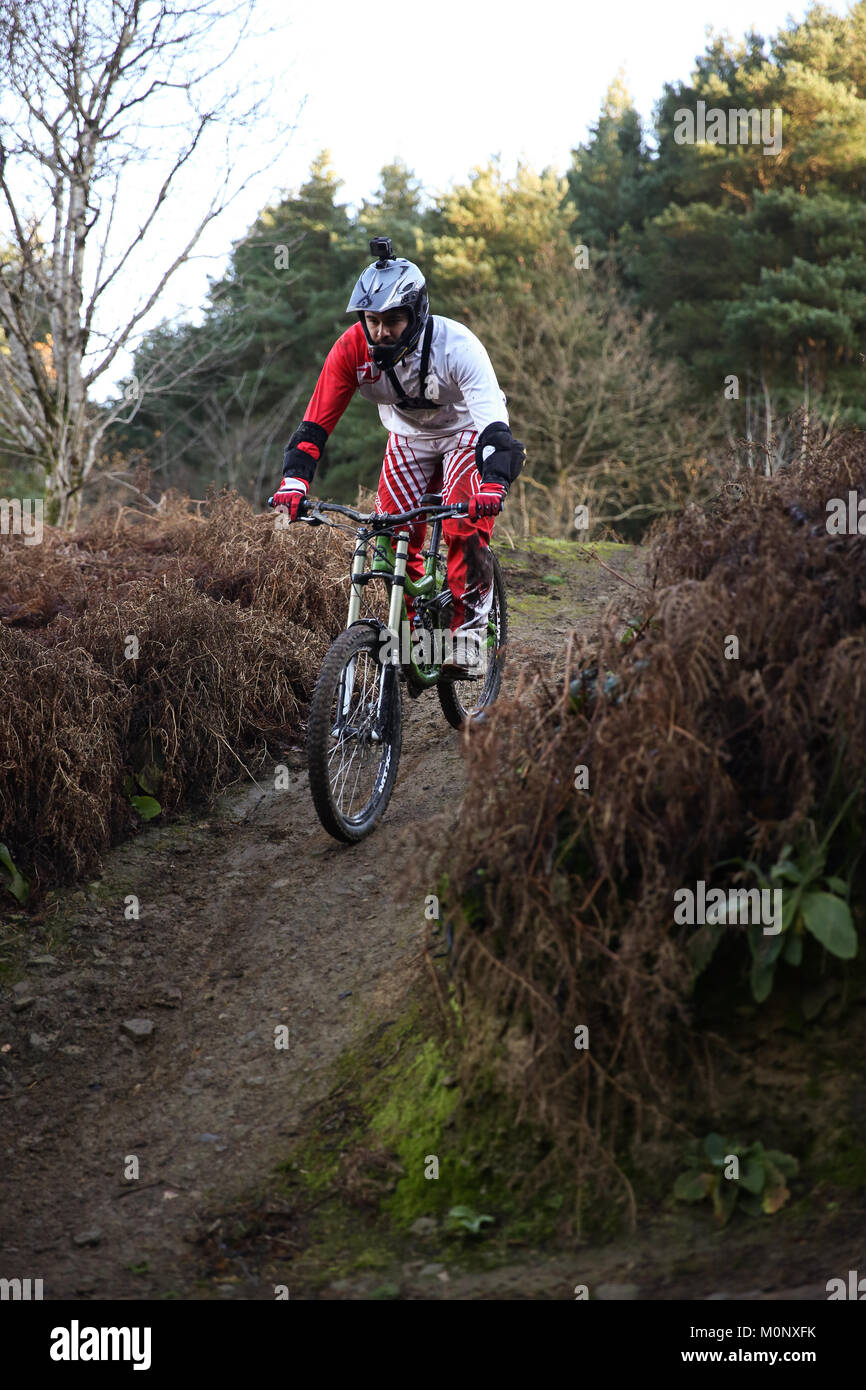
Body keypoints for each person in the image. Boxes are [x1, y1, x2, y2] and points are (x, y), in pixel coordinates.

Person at [270, 238, 525, 678]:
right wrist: (295, 481)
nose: (382, 332)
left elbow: (494, 429)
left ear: (417, 313)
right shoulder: (351, 350)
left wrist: (493, 484)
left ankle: (467, 635)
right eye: (373, 320)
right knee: (385, 534)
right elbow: (314, 425)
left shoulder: (457, 347)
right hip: (407, 437)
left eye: (393, 320)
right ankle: (409, 635)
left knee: (463, 525)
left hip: (465, 430)